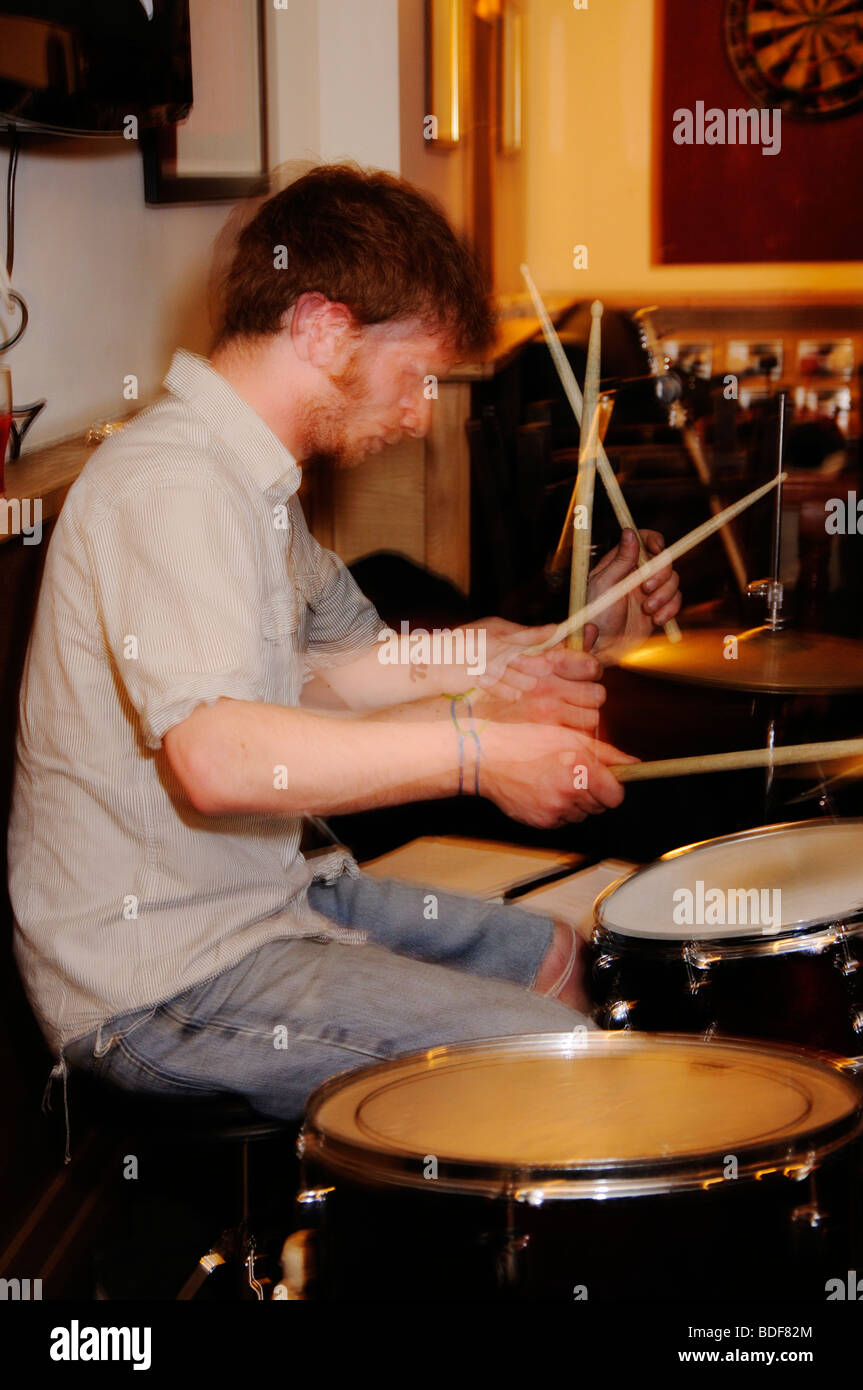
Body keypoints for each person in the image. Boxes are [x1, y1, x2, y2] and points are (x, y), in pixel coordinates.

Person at [8, 164, 680, 1123]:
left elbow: (350, 670)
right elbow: (217, 759)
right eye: (416, 379)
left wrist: (552, 641)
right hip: (160, 982)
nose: (417, 417)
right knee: (555, 1062)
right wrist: (477, 753)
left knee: (560, 957)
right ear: (322, 328)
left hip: (274, 899)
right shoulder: (172, 488)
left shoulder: (254, 484)